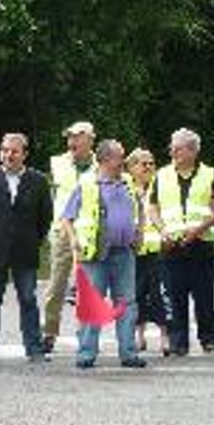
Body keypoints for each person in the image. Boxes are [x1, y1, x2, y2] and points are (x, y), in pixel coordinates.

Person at [61, 139, 146, 369]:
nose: (124, 162)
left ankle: (128, 353)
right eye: (120, 157)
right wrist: (74, 240)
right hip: (96, 254)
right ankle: (86, 353)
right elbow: (67, 216)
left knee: (127, 303)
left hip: (124, 252)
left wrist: (139, 231)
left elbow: (140, 208)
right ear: (106, 160)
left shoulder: (128, 182)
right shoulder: (87, 184)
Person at [147, 128, 214, 357]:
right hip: (171, 245)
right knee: (174, 296)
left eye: (178, 147)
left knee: (204, 296)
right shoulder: (161, 175)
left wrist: (199, 229)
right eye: (171, 147)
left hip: (200, 242)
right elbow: (152, 207)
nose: (172, 151)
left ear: (193, 150)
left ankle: (210, 338)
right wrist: (162, 230)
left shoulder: (210, 174)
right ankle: (178, 341)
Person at [0, 133, 53, 364]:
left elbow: (45, 218)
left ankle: (34, 348)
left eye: (14, 151)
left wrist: (34, 240)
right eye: (5, 150)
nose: (9, 155)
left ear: (24, 154)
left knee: (28, 299)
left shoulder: (38, 180)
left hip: (25, 250)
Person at [41, 121, 97, 354]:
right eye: (69, 137)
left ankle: (84, 334)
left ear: (90, 140)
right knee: (56, 284)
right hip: (62, 229)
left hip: (88, 229)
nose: (72, 141)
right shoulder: (58, 162)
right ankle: (48, 332)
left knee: (85, 285)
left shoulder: (100, 164)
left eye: (77, 137)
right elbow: (51, 195)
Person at [125, 147, 169, 355]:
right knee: (136, 294)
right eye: (144, 163)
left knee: (160, 294)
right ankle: (138, 336)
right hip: (133, 250)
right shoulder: (124, 188)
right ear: (132, 167)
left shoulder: (160, 186)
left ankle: (165, 336)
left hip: (159, 249)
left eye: (151, 163)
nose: (149, 167)